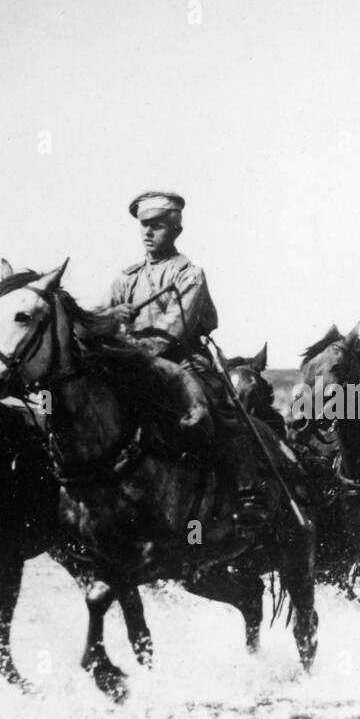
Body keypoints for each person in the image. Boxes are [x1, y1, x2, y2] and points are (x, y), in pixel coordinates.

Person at [108, 191, 268, 528]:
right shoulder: (126, 278)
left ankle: (246, 492)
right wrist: (111, 317)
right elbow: (102, 325)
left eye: (157, 226)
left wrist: (132, 349)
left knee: (224, 409)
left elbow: (174, 329)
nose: (148, 233)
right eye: (144, 226)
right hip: (132, 362)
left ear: (176, 230)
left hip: (182, 360)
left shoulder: (189, 273)